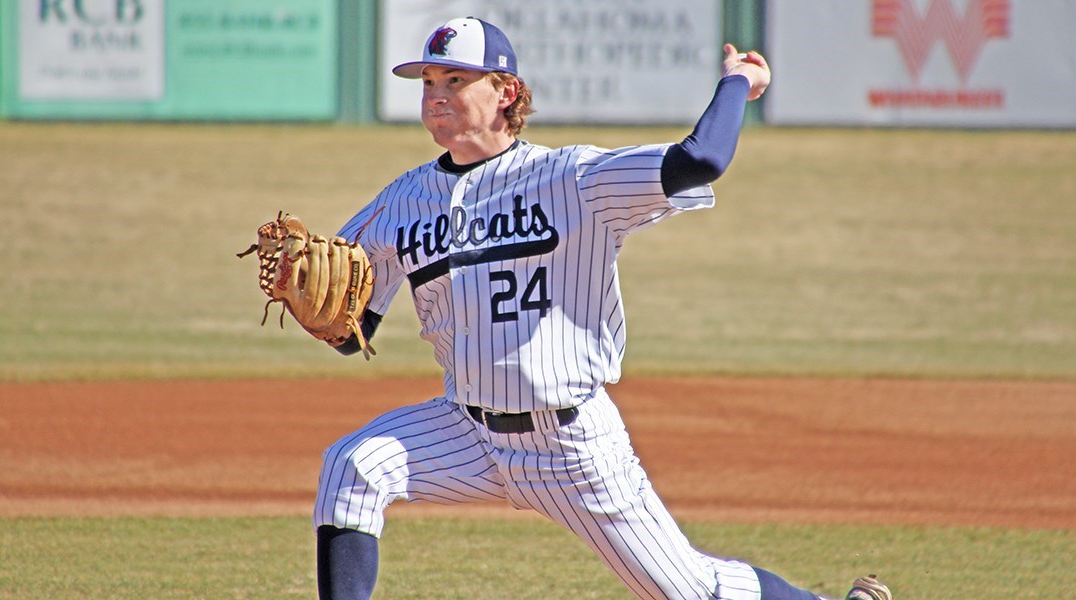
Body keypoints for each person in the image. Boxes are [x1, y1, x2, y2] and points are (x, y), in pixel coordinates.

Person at [313, 16, 892, 600]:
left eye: (455, 80)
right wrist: (318, 312)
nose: (436, 94)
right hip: (465, 431)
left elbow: (702, 160)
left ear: (506, 92)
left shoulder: (573, 178)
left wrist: (737, 80)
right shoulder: (399, 203)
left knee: (694, 591)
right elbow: (350, 330)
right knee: (353, 467)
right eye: (428, 82)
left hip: (571, 445)